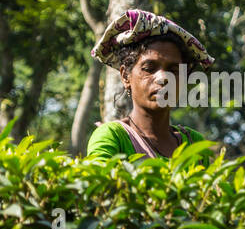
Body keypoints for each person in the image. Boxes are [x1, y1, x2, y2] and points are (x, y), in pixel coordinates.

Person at [86, 10, 213, 159]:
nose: (164, 78)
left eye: (173, 70)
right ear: (126, 76)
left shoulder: (194, 143)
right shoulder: (113, 137)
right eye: (149, 69)